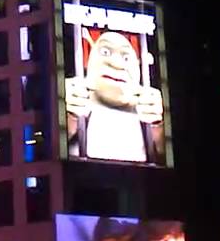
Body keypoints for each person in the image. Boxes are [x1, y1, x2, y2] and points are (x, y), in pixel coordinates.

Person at [66, 30, 164, 162]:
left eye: (126, 58)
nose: (116, 64)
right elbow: (46, 147)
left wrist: (158, 125)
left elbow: (169, 156)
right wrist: (66, 114)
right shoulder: (79, 97)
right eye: (105, 52)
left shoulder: (147, 107)